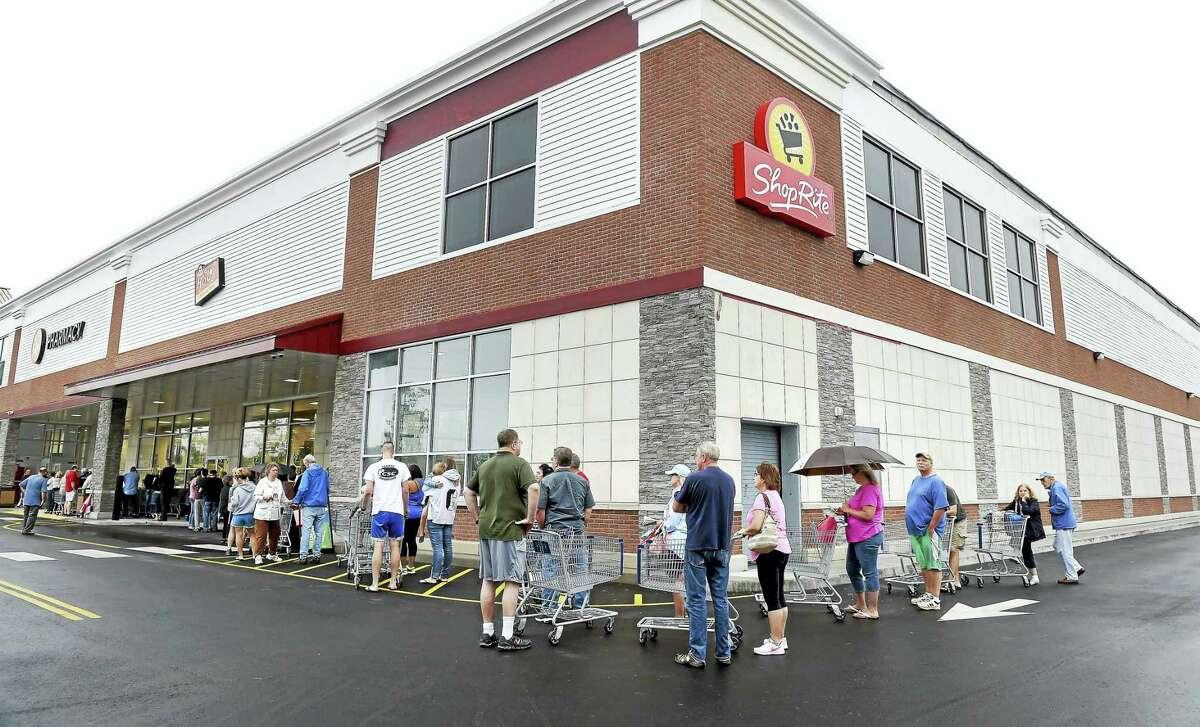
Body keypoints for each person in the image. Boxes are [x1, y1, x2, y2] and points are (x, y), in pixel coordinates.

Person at [465, 428, 539, 652]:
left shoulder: (485, 465)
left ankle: (488, 633)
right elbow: (534, 488)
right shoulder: (519, 464)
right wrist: (530, 519)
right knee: (512, 581)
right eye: (520, 443)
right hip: (510, 530)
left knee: (488, 580)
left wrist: (478, 518)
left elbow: (468, 492)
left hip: (487, 530)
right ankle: (508, 636)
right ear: (514, 444)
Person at [671, 441, 736, 669]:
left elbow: (677, 507)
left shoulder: (695, 479)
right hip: (722, 547)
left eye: (696, 456)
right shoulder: (729, 481)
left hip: (698, 546)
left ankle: (698, 655)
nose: (695, 460)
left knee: (697, 600)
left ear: (703, 458)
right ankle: (723, 652)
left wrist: (692, 506)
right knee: (720, 599)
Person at [736, 462, 792, 656]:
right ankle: (781, 638)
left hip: (768, 551)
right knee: (779, 596)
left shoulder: (762, 498)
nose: (754, 477)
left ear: (763, 478)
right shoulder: (776, 497)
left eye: (756, 474)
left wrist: (744, 531)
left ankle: (775, 642)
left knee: (771, 598)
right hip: (782, 549)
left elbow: (757, 525)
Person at [536, 446, 595, 608]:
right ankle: (580, 605)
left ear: (555, 461)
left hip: (554, 531)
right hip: (576, 532)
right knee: (579, 569)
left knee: (551, 569)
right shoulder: (582, 481)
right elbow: (588, 509)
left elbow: (540, 511)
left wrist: (542, 528)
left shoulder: (547, 481)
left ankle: (549, 606)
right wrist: (582, 523)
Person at [358, 442, 415, 592]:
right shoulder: (402, 467)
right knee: (395, 546)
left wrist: (363, 507)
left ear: (381, 452)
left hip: (380, 511)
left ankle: (375, 584)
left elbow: (368, 491)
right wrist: (405, 509)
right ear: (393, 451)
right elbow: (405, 491)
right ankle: (393, 582)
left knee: (378, 546)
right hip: (396, 512)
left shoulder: (373, 467)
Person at [838, 464, 884, 620]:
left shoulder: (870, 489)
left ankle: (873, 609)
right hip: (856, 537)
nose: (852, 476)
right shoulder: (861, 490)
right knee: (851, 569)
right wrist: (843, 509)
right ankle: (860, 603)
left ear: (863, 472)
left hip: (868, 536)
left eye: (853, 473)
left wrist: (848, 510)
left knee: (869, 572)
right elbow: (855, 509)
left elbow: (868, 514)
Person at [906, 452, 949, 612]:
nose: (920, 462)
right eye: (918, 459)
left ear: (931, 462)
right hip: (915, 530)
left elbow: (940, 507)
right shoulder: (916, 480)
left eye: (924, 460)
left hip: (928, 530)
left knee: (933, 563)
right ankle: (928, 593)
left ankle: (935, 598)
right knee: (924, 563)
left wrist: (931, 527)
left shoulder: (936, 481)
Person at [652, 464, 690, 618]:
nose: (671, 477)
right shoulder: (686, 493)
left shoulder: (678, 493)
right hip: (683, 542)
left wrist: (662, 524)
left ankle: (679, 616)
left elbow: (673, 521)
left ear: (679, 478)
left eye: (673, 475)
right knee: (681, 579)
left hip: (675, 543)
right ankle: (684, 614)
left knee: (677, 581)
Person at [419, 458, 462, 585]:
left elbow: (424, 489)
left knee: (437, 548)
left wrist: (433, 473)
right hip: (449, 517)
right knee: (447, 547)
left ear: (444, 467)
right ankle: (445, 575)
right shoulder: (457, 481)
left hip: (436, 517)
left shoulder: (438, 479)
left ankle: (434, 576)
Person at [1040, 472, 1083, 584]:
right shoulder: (1056, 487)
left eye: (1043, 480)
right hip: (1063, 523)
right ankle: (1076, 568)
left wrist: (1052, 509)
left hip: (1064, 524)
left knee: (1065, 551)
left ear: (1051, 479)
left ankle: (1072, 576)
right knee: (1057, 546)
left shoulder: (1057, 488)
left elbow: (1064, 505)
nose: (1042, 483)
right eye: (1041, 481)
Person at [1003, 483, 1045, 585]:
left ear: (1029, 492)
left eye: (1025, 491)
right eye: (1020, 491)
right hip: (1020, 530)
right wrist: (998, 513)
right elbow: (1008, 508)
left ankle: (1034, 575)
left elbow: (1028, 511)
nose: (1022, 493)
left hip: (1030, 530)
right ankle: (1033, 575)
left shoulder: (1033, 502)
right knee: (1023, 549)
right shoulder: (1016, 501)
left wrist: (1024, 501)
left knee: (1026, 551)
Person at [293, 454, 331, 565]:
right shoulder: (324, 472)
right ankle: (316, 556)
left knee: (306, 532)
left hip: (309, 505)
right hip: (322, 505)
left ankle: (303, 557)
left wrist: (296, 500)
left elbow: (303, 488)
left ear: (307, 463)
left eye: (305, 465)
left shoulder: (307, 472)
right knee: (319, 532)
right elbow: (328, 488)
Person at [251, 464, 287, 565]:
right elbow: (255, 496)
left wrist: (291, 502)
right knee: (261, 535)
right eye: (273, 470)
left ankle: (272, 553)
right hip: (262, 512)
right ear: (268, 471)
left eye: (276, 470)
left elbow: (283, 497)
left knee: (275, 534)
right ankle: (258, 555)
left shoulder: (279, 482)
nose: (276, 472)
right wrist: (264, 497)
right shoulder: (262, 482)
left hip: (275, 512)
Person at [943, 483, 969, 591]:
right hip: (948, 522)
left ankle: (951, 580)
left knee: (954, 549)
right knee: (951, 550)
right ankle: (955, 579)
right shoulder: (932, 493)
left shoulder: (948, 490)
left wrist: (936, 514)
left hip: (958, 521)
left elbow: (953, 510)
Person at [401, 463, 425, 575]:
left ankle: (404, 567)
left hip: (408, 514)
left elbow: (403, 494)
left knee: (403, 540)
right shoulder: (423, 483)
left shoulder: (410, 483)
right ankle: (411, 566)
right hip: (418, 513)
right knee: (412, 540)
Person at [227, 469, 257, 560]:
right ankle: (255, 555)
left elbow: (234, 503)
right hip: (249, 514)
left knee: (238, 535)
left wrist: (230, 508)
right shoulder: (254, 487)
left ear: (237, 478)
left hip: (238, 514)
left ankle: (240, 555)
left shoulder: (237, 489)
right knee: (252, 535)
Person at [18, 467, 50, 535]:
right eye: (46, 472)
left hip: (26, 499)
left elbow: (20, 485)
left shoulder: (31, 477)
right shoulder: (43, 480)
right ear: (43, 472)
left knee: (26, 515)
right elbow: (43, 492)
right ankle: (26, 530)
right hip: (35, 500)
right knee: (32, 516)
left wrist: (25, 492)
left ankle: (24, 528)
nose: (47, 474)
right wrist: (43, 501)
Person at [219, 474, 233, 545]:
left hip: (224, 508)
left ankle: (224, 537)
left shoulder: (223, 488)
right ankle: (228, 537)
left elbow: (222, 500)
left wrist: (220, 510)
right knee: (229, 524)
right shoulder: (230, 489)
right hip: (229, 508)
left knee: (225, 523)